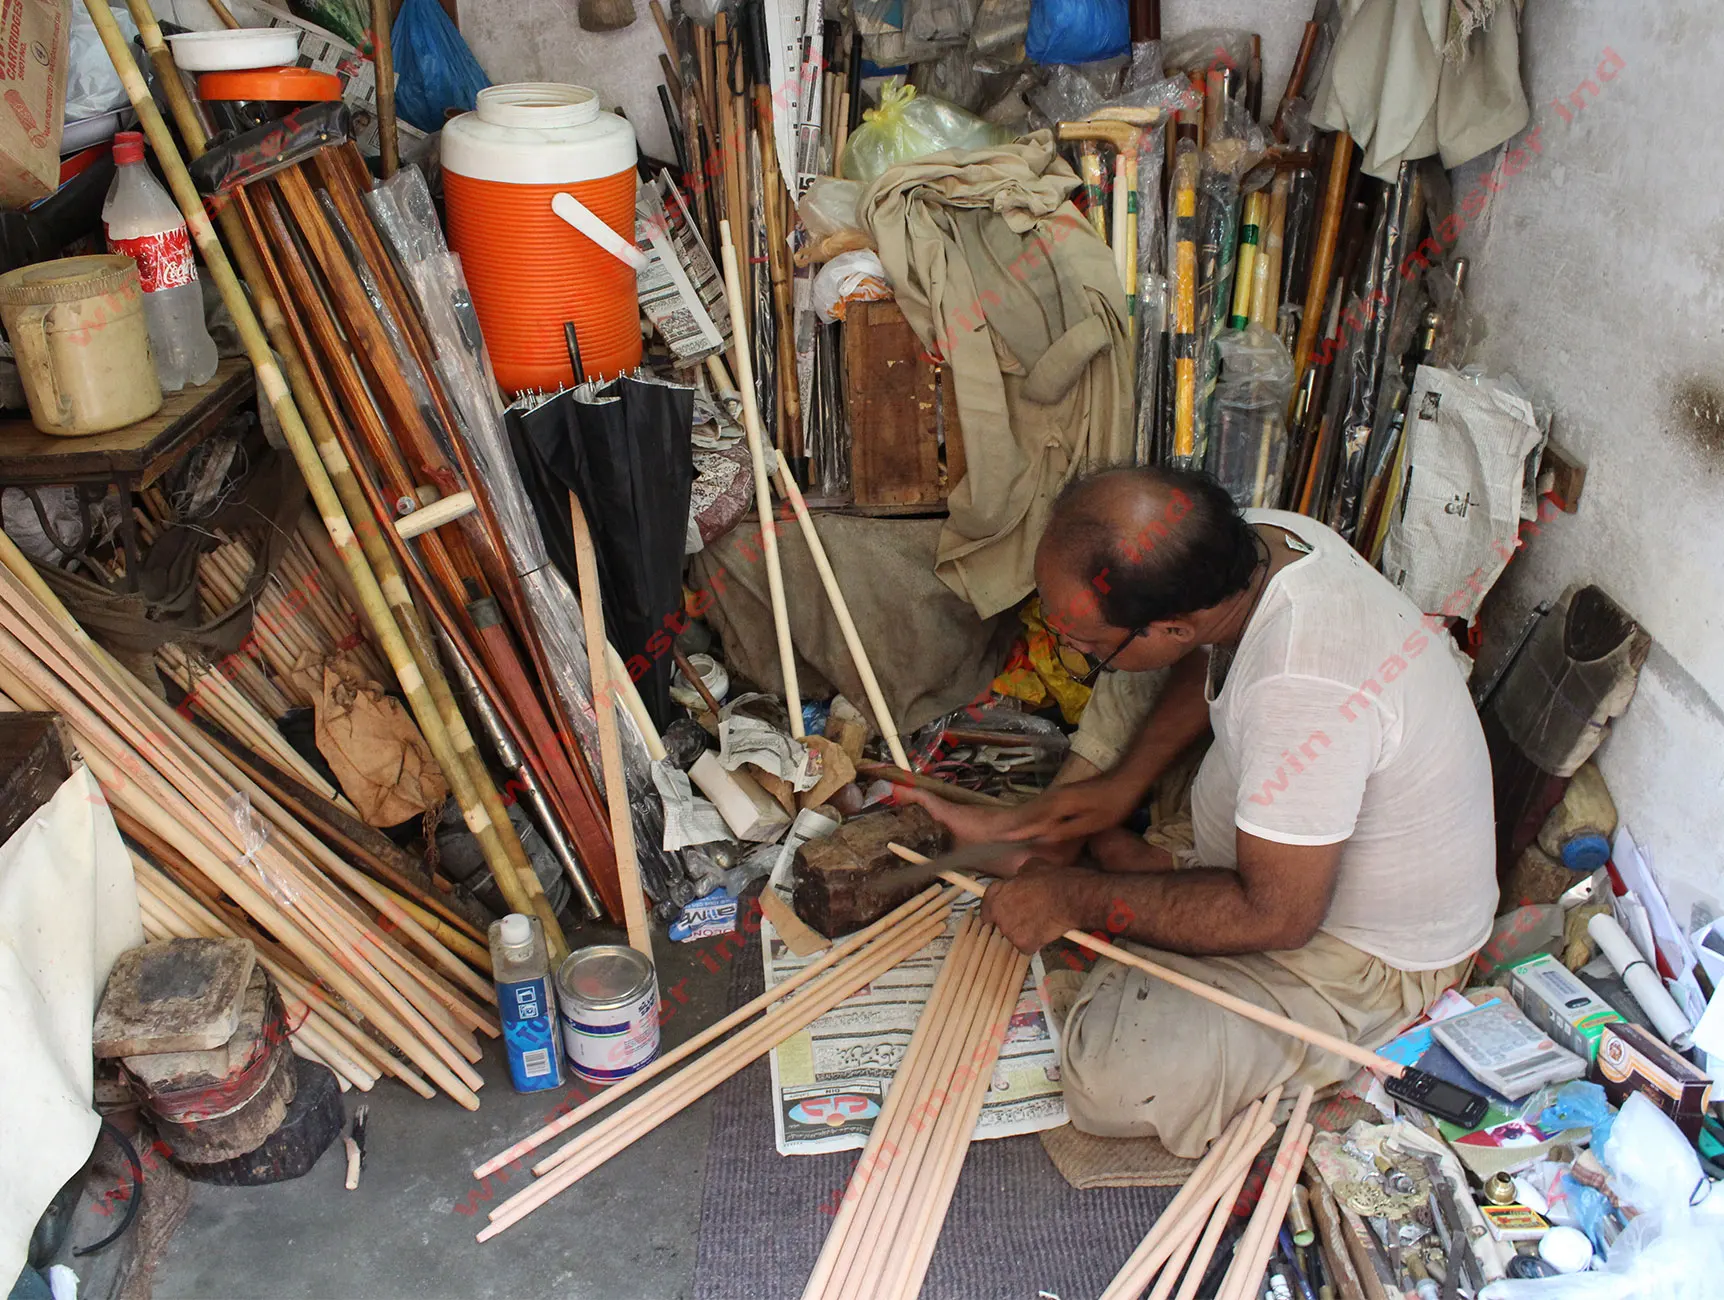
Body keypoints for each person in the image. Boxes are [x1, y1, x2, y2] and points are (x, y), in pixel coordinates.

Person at [899, 466, 1498, 1156]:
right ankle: (1083, 839)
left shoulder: (1303, 685)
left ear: (1177, 624)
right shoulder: (1268, 542)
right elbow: (1203, 652)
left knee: (1116, 1079)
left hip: (1359, 954)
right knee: (1136, 668)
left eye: (1085, 648)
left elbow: (1277, 915)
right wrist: (1122, 784)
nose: (1070, 654)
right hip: (1279, 823)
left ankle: (1101, 873)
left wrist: (1076, 902)